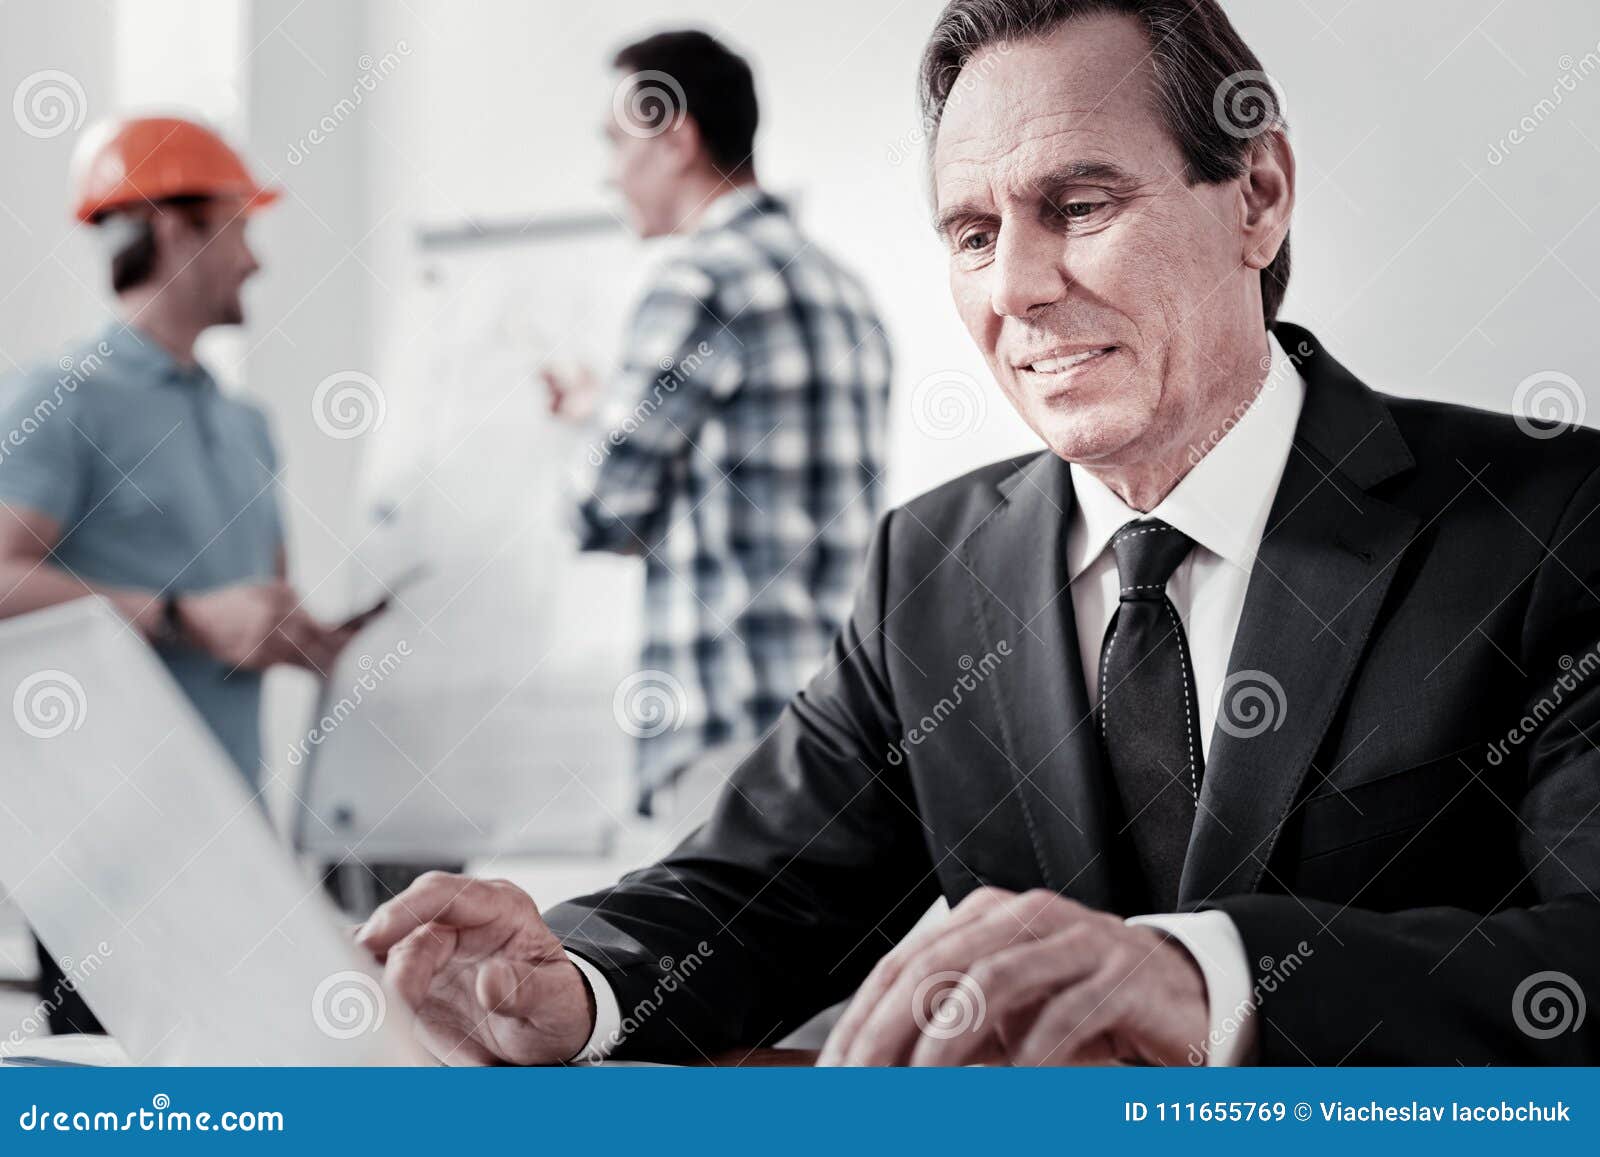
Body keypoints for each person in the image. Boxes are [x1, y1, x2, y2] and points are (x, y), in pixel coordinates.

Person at [359, 0, 1600, 1066]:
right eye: (971, 233)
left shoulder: (1549, 517)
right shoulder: (934, 566)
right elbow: (759, 892)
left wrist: (1203, 978)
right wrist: (569, 983)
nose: (1014, 286)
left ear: (1256, 197)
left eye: (1079, 202)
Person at [0, 116, 355, 1031]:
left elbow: (252, 605)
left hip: (238, 829)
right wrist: (179, 613)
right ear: (173, 226)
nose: (257, 261)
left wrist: (296, 634)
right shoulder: (66, 396)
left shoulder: (248, 425)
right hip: (110, 846)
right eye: (241, 227)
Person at [541, 30, 893, 814]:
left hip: (728, 735)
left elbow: (597, 509)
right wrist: (613, 404)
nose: (607, 174)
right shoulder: (843, 290)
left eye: (614, 141)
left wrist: (592, 428)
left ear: (676, 135)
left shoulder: (694, 281)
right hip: (845, 729)